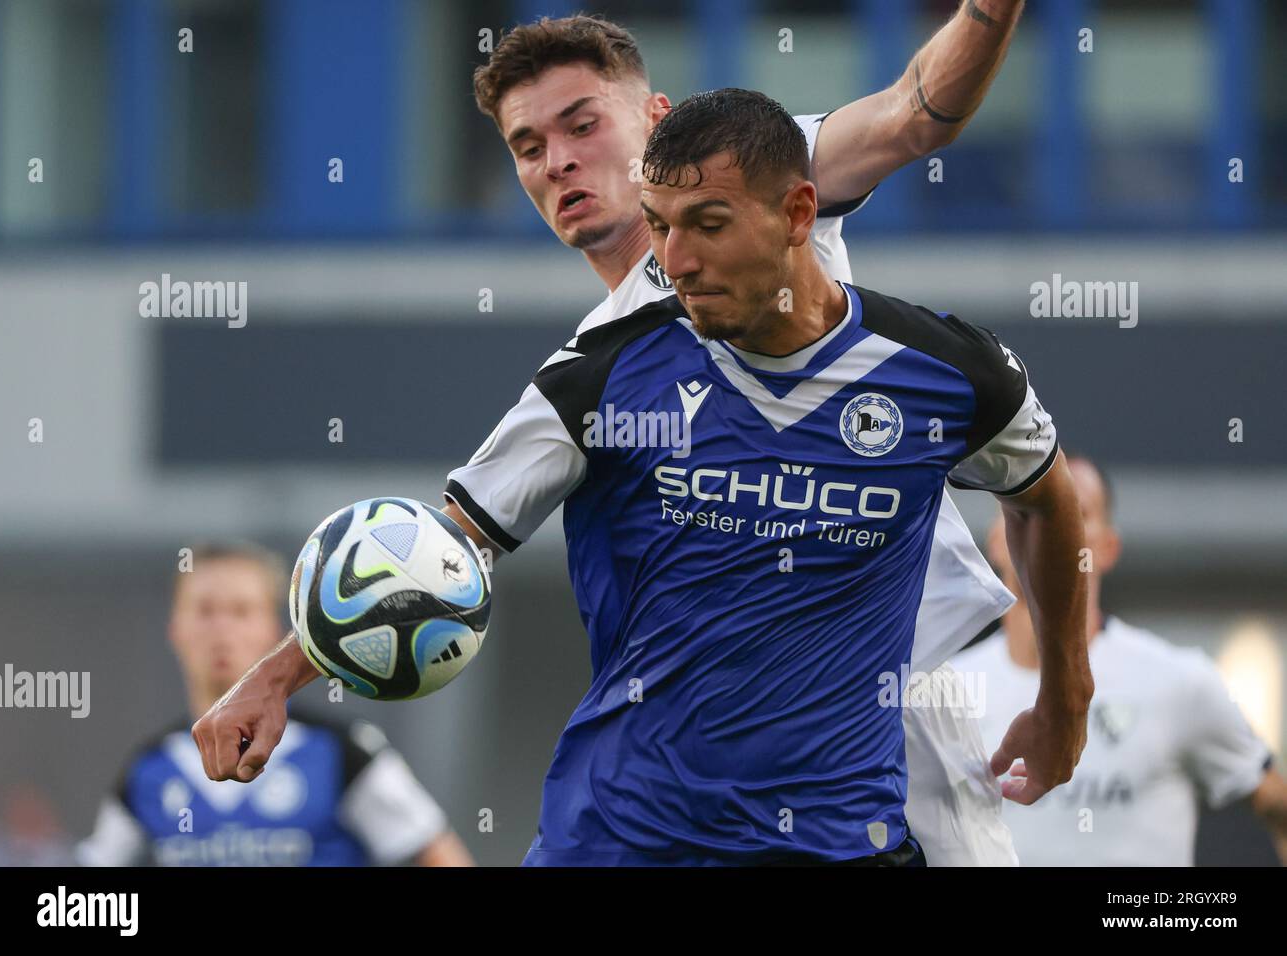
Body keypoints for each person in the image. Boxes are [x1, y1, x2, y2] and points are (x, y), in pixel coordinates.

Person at [196, 89, 1091, 866]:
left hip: (829, 838)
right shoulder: (602, 374)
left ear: (797, 213)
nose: (680, 260)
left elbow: (1045, 501)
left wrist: (1065, 694)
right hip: (622, 833)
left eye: (707, 225)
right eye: (661, 228)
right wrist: (276, 677)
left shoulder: (947, 372)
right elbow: (443, 546)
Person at [470, 9, 1027, 865]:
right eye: (528, 145)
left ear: (656, 119)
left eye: (582, 124)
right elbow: (456, 529)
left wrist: (990, 10)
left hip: (898, 697)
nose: (559, 160)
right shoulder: (596, 363)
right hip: (723, 741)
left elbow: (913, 112)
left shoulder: (750, 165)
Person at [954, 455, 1287, 866]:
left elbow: (1277, 806)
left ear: (1108, 548)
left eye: (1075, 514)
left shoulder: (1177, 682)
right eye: (1023, 512)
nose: (1047, 529)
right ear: (994, 539)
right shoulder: (945, 691)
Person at [79, 542, 472, 866]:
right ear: (175, 629)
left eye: (241, 611)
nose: (222, 630)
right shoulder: (148, 770)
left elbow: (440, 858)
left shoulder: (342, 752)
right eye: (205, 611)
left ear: (276, 631)